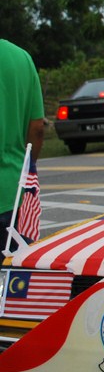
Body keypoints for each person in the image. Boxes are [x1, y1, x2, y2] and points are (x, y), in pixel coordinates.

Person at [0, 39, 45, 239]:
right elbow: (37, 128)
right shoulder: (21, 58)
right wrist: (28, 166)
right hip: (14, 191)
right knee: (12, 266)